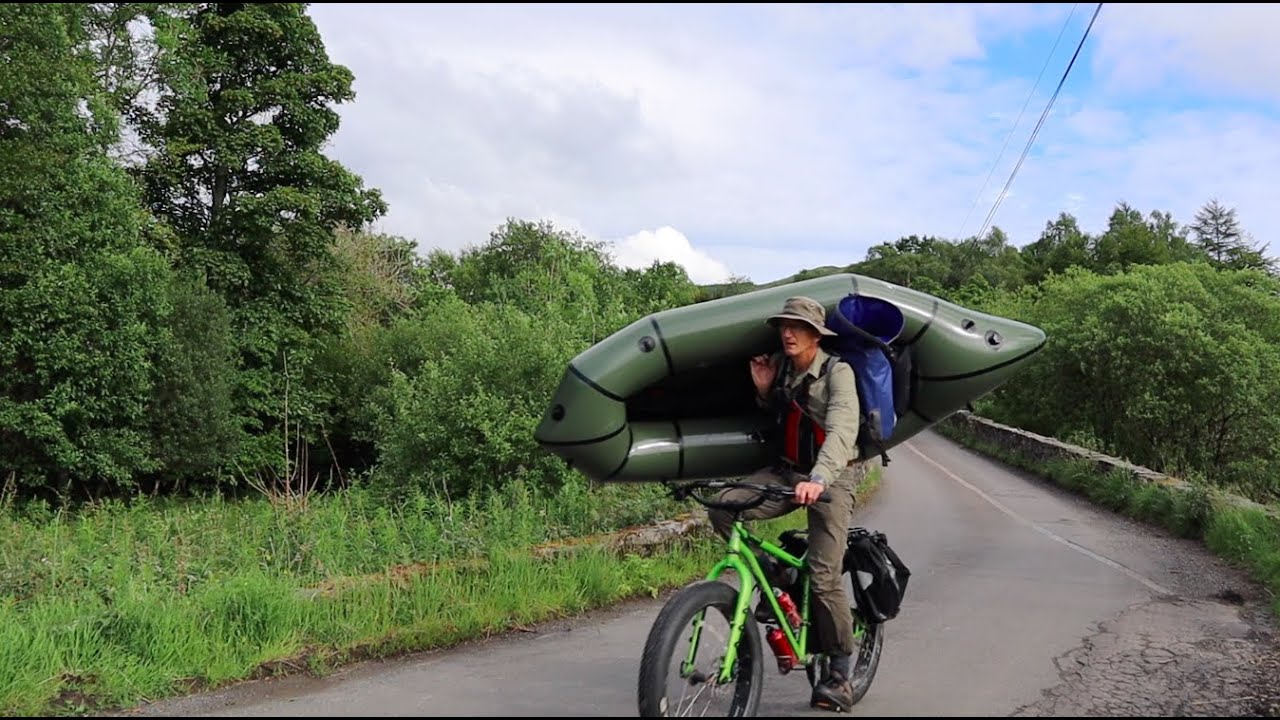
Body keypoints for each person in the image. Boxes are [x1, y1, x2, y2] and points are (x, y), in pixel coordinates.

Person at [706, 295, 863, 713]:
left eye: (797, 327)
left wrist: (818, 479)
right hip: (786, 471)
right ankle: (777, 578)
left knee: (824, 574)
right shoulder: (782, 370)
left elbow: (842, 432)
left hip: (832, 476)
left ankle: (840, 673)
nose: (787, 333)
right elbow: (778, 418)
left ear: (816, 334)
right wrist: (762, 390)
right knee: (722, 508)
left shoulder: (838, 373)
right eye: (783, 326)